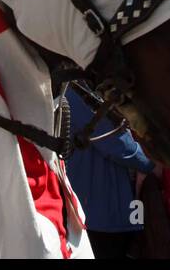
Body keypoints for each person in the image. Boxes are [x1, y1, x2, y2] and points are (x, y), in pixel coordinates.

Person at [63, 87, 154, 259]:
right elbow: (116, 143)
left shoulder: (74, 89)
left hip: (103, 209)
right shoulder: (76, 91)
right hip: (103, 212)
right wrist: (153, 161)